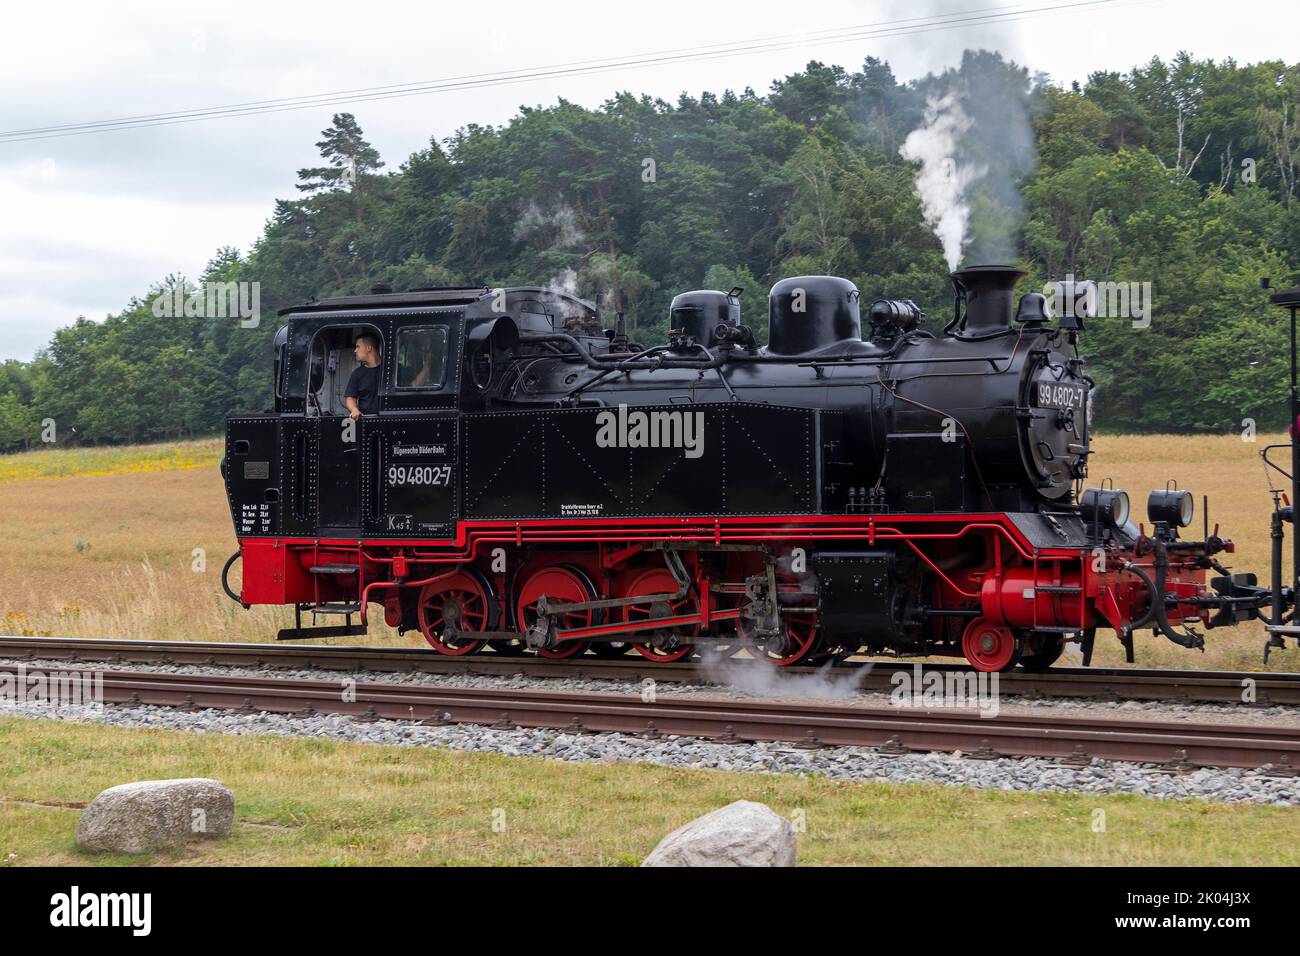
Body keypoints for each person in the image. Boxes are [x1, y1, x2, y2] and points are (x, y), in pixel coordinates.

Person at [345, 333, 382, 420]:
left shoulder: (390, 369)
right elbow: (350, 398)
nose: (355, 350)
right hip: (366, 421)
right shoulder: (357, 374)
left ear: (369, 348)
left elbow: (412, 384)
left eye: (358, 347)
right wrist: (354, 409)